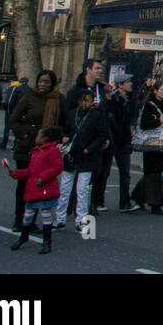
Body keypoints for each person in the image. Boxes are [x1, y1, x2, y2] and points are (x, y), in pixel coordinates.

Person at [8, 70, 64, 231]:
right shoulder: (29, 98)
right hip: (27, 147)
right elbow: (14, 119)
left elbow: (63, 122)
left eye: (46, 82)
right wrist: (23, 134)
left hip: (46, 149)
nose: (42, 84)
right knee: (24, 184)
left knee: (40, 185)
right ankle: (19, 219)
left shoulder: (58, 99)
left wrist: (60, 139)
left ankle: (31, 219)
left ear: (52, 84)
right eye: (40, 81)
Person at [6, 125, 64, 255]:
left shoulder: (52, 151)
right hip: (34, 188)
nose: (36, 138)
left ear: (45, 138)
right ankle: (24, 236)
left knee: (45, 214)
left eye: (39, 136)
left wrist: (42, 178)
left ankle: (47, 242)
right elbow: (31, 171)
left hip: (45, 188)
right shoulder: (37, 151)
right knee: (27, 215)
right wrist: (15, 173)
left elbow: (57, 168)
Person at [64, 58, 111, 214]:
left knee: (97, 172)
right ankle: (72, 204)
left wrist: (105, 136)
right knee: (77, 175)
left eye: (100, 68)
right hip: (80, 139)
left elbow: (104, 113)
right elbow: (68, 115)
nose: (100, 71)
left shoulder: (100, 89)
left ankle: (92, 203)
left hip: (96, 138)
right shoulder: (76, 91)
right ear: (88, 70)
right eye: (97, 68)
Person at [57, 87, 108, 232]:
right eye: (82, 100)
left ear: (92, 102)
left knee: (82, 190)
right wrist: (64, 138)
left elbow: (101, 135)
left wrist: (89, 148)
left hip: (87, 156)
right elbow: (64, 129)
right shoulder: (71, 114)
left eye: (88, 101)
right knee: (65, 189)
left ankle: (81, 219)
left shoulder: (96, 116)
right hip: (71, 155)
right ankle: (60, 219)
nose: (84, 104)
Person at [131, 81, 163, 214]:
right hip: (150, 144)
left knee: (154, 171)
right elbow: (144, 125)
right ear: (155, 91)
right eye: (162, 89)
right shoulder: (149, 105)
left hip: (161, 143)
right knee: (153, 172)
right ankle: (156, 203)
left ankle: (139, 197)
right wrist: (159, 120)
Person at [107, 73, 140, 213]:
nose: (131, 84)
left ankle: (125, 203)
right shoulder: (113, 101)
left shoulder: (130, 99)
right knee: (104, 173)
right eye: (128, 82)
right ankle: (96, 202)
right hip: (114, 140)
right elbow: (113, 121)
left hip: (125, 141)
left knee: (125, 173)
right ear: (120, 85)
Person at [0, 75, 30, 150]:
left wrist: (8, 110)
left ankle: (4, 143)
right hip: (23, 113)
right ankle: (15, 145)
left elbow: (11, 101)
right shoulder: (30, 90)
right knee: (19, 128)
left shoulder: (16, 89)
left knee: (7, 127)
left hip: (13, 111)